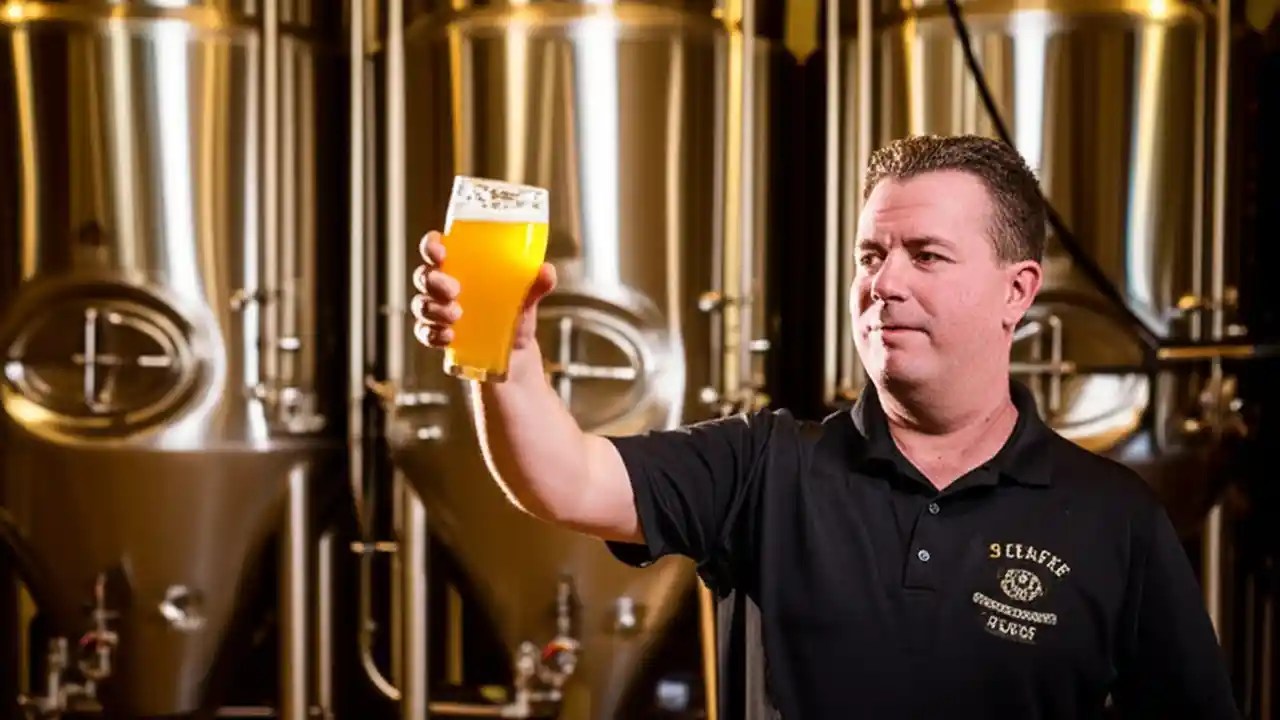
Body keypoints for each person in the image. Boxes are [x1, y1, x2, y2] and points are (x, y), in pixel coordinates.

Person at [410, 134, 1241, 719]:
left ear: (1017, 291)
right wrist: (509, 357)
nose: (885, 284)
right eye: (870, 256)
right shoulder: (764, 468)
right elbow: (564, 479)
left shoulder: (1113, 518)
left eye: (927, 254)